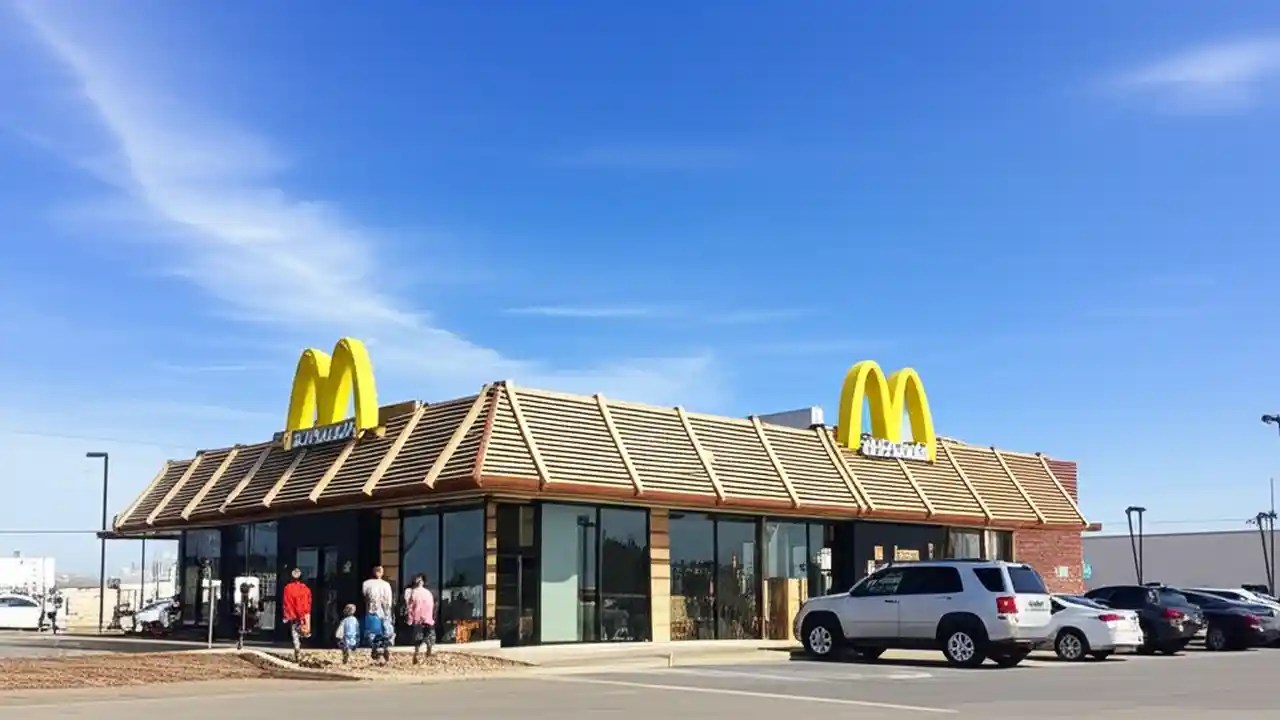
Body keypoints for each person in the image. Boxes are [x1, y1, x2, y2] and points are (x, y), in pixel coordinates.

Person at [282, 567, 313, 663]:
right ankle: (302, 646)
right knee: (305, 631)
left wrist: (287, 614)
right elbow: (309, 602)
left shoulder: (287, 588)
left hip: (293, 614)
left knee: (294, 632)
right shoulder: (306, 589)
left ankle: (297, 647)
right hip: (304, 613)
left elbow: (286, 602)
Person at [403, 573, 436, 664]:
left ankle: (428, 652)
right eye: (417, 579)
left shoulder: (428, 592)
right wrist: (410, 618)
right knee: (418, 638)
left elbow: (432, 606)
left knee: (429, 637)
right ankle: (417, 654)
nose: (419, 581)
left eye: (420, 580)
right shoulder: (411, 592)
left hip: (427, 618)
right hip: (418, 619)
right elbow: (409, 606)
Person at [362, 565, 395, 645]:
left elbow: (365, 596)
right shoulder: (368, 583)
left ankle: (382, 639)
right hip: (376, 608)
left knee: (380, 625)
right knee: (379, 626)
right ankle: (384, 640)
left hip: (380, 608)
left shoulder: (368, 583)